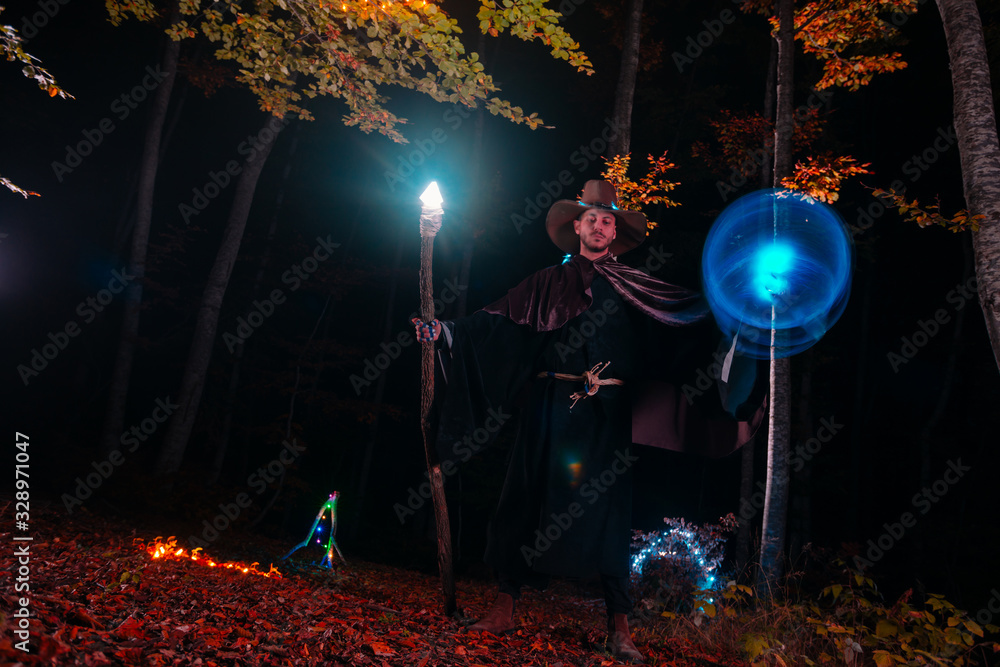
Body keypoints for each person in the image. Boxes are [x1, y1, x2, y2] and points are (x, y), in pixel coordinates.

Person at [413, 180, 763, 663]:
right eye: (592, 219)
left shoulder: (636, 287)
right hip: (549, 408)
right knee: (524, 500)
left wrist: (740, 308)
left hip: (607, 416)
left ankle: (619, 629)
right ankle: (504, 608)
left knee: (610, 515)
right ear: (576, 227)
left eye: (608, 221)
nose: (600, 226)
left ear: (615, 233)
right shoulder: (546, 283)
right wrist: (445, 331)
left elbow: (689, 318)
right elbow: (495, 323)